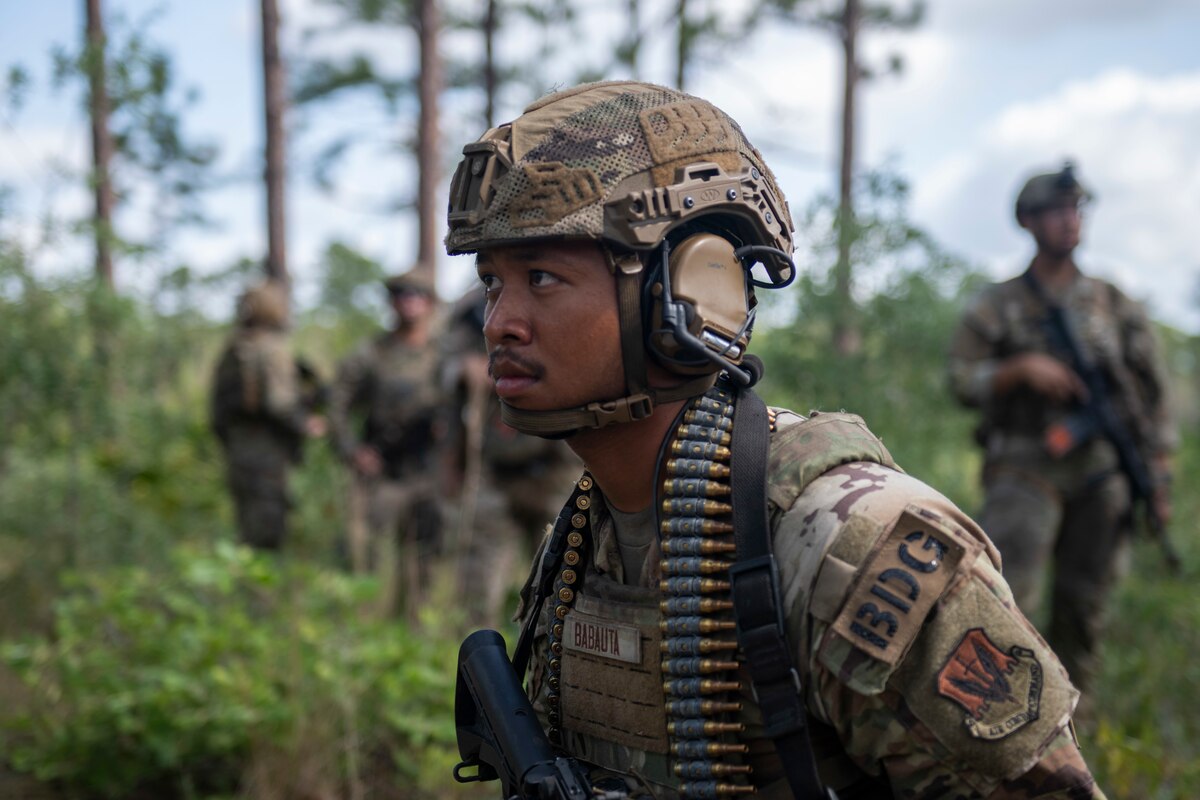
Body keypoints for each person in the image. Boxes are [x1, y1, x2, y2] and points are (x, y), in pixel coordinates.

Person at [445, 81, 1103, 798]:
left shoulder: (848, 546)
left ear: (694, 292)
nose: (499, 321)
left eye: (541, 278)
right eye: (492, 282)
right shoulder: (585, 534)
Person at [948, 162, 1175, 701]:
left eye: (1076, 209)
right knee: (1004, 599)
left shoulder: (1113, 303)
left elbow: (1151, 394)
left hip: (1101, 471)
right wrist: (1017, 370)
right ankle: (997, 714)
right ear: (1027, 221)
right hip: (1025, 464)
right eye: (1056, 211)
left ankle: (1074, 720)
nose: (1069, 221)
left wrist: (1160, 473)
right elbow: (958, 378)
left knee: (1084, 607)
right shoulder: (998, 303)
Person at [441, 286, 582, 627]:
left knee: (564, 581)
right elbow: (441, 371)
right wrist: (462, 371)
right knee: (477, 582)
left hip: (557, 470)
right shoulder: (472, 308)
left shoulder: (565, 285)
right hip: (498, 469)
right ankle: (474, 657)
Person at [328, 270, 444, 616]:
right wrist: (352, 451)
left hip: (430, 472)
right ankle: (367, 628)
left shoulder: (444, 356)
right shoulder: (371, 353)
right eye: (401, 295)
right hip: (383, 472)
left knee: (425, 559)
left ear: (430, 304)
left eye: (417, 295)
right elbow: (337, 403)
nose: (408, 302)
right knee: (370, 558)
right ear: (392, 303)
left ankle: (414, 632)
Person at [211, 281, 312, 551]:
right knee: (267, 535)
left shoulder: (234, 348)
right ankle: (263, 592)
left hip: (239, 451)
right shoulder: (272, 348)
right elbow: (280, 405)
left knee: (247, 530)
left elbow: (216, 413)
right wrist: (306, 425)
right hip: (267, 455)